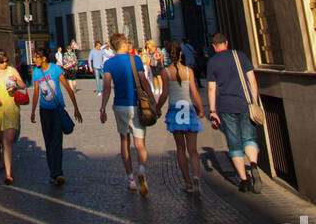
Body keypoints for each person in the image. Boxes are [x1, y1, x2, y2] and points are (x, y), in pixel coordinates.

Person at [100, 31, 158, 194]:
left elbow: (106, 87)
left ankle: (131, 179)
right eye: (127, 43)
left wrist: (103, 108)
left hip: (120, 105)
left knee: (124, 141)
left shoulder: (109, 64)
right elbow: (144, 81)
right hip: (137, 105)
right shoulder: (136, 60)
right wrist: (153, 100)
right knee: (140, 143)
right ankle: (142, 170)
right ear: (123, 44)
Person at [206, 32, 262, 193]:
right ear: (227, 43)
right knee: (249, 137)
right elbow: (252, 81)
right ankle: (253, 163)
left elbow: (211, 88)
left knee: (234, 142)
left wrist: (212, 111)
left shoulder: (213, 62)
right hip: (245, 103)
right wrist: (254, 101)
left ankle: (244, 180)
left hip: (226, 105)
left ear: (214, 46)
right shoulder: (240, 56)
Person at [30, 43, 82, 186]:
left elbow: (68, 88)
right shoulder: (36, 72)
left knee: (57, 141)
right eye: (35, 57)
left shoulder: (55, 69)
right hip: (44, 111)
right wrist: (33, 111)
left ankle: (58, 173)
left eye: (37, 57)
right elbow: (36, 93)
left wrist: (76, 108)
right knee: (48, 142)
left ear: (44, 58)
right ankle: (53, 173)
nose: (35, 60)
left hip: (57, 110)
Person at [162, 42, 205, 195]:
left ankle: (187, 182)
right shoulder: (189, 71)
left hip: (175, 111)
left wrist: (157, 108)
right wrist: (201, 108)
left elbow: (165, 94)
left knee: (180, 149)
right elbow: (194, 92)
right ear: (181, 54)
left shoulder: (166, 72)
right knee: (193, 150)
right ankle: (196, 176)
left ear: (168, 55)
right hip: (188, 109)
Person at [0, 48, 26, 185]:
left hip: (11, 108)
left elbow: (23, 85)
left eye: (6, 61)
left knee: (7, 141)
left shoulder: (12, 70)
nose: (5, 64)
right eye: (2, 62)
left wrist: (17, 82)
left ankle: (8, 173)